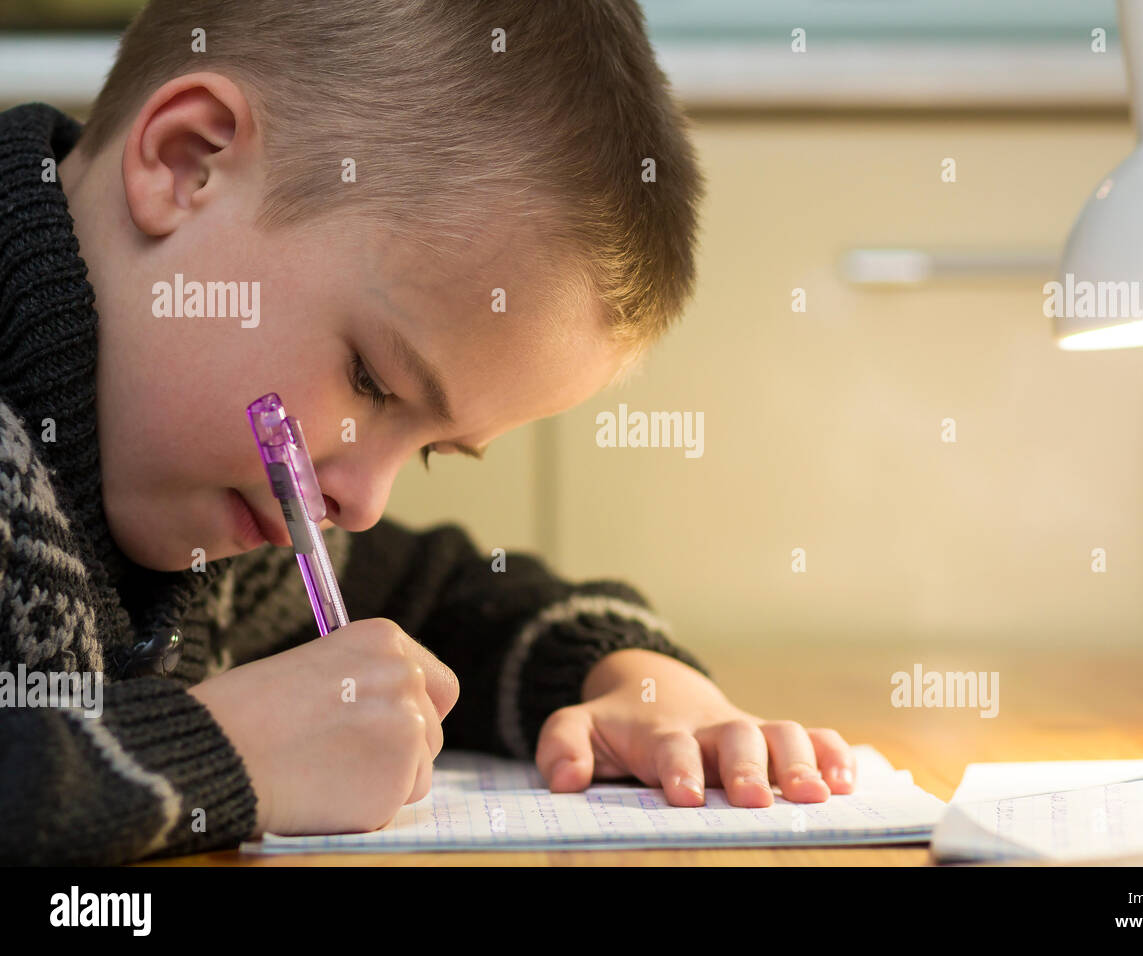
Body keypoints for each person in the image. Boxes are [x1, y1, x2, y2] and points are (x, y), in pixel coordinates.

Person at [0, 0, 855, 865]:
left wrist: (630, 675)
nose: (364, 503)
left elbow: (442, 596)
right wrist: (220, 746)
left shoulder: (222, 519)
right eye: (371, 380)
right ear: (189, 162)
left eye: (431, 449)